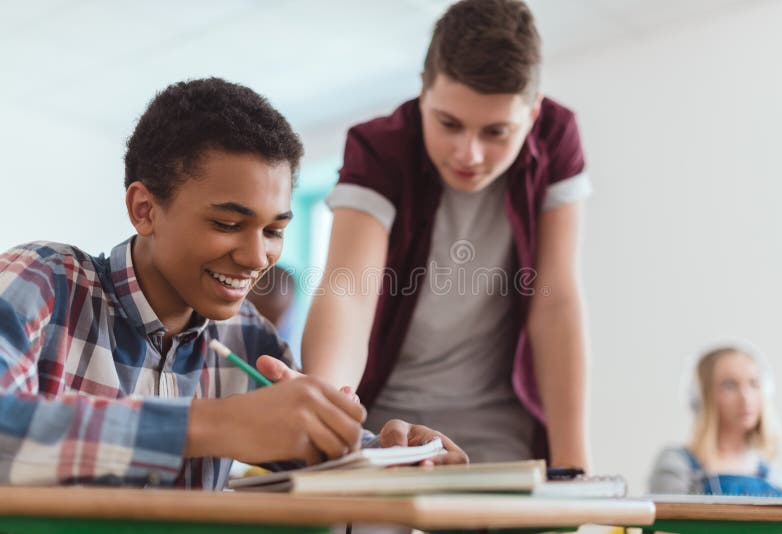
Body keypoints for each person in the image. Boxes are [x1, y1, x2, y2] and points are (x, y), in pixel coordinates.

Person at [0, 77, 466, 490]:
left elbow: (331, 458)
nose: (256, 257)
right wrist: (208, 426)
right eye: (226, 223)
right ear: (145, 210)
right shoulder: (44, 281)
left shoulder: (249, 337)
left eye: (275, 230)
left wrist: (397, 454)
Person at [302, 0, 591, 467]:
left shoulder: (558, 138)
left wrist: (575, 469)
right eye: (449, 123)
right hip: (387, 424)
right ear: (423, 91)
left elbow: (555, 304)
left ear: (533, 112)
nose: (469, 154)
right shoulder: (379, 147)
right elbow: (349, 292)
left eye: (496, 132)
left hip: (501, 431)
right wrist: (328, 412)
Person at [649, 345, 782, 496]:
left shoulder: (776, 479)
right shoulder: (677, 466)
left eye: (753, 384)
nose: (746, 398)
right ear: (702, 396)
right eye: (730, 385)